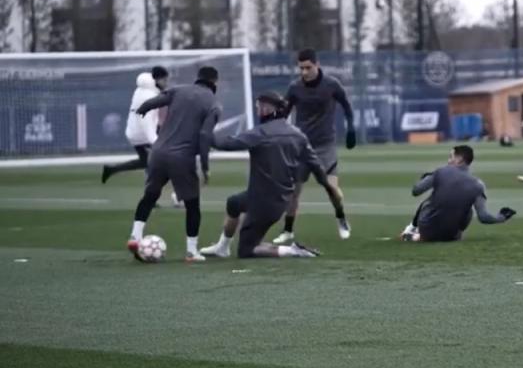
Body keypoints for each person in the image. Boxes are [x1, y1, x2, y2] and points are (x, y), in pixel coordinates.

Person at [200, 92, 333, 259]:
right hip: (277, 198)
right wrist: (328, 186)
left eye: (259, 107)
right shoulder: (298, 135)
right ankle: (222, 247)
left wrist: (205, 133)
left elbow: (225, 143)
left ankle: (291, 251)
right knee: (234, 203)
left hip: (263, 204)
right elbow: (316, 166)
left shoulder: (259, 134)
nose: (257, 110)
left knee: (246, 250)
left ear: (266, 109)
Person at [126, 66, 221, 262]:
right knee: (192, 204)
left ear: (198, 79)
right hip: (182, 157)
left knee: (150, 195)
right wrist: (204, 165)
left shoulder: (179, 90)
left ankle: (135, 236)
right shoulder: (213, 104)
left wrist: (144, 109)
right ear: (215, 82)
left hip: (158, 152)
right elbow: (204, 136)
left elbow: (156, 101)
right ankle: (191, 252)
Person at [271, 49, 357, 245]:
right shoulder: (295, 88)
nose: (304, 72)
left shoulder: (332, 84)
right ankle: (288, 230)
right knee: (293, 190)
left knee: (332, 189)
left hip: (325, 144)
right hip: (301, 146)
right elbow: (284, 113)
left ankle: (341, 218)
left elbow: (346, 105)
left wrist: (351, 129)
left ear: (317, 65)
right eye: (301, 68)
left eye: (308, 67)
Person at [399, 145, 516, 242]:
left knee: (430, 200)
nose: (448, 161)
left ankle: (413, 233)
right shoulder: (478, 185)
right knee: (468, 208)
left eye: (451, 157)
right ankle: (451, 234)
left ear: (459, 159)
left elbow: (416, 191)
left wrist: (428, 178)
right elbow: (483, 217)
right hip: (452, 236)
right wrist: (501, 217)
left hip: (427, 230)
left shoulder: (441, 172)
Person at [101, 66, 168, 183]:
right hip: (142, 135)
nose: (166, 83)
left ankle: (112, 169)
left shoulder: (142, 90)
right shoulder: (149, 96)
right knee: (161, 161)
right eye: (164, 80)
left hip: (134, 133)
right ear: (157, 80)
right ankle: (151, 196)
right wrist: (155, 142)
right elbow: (146, 121)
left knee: (146, 162)